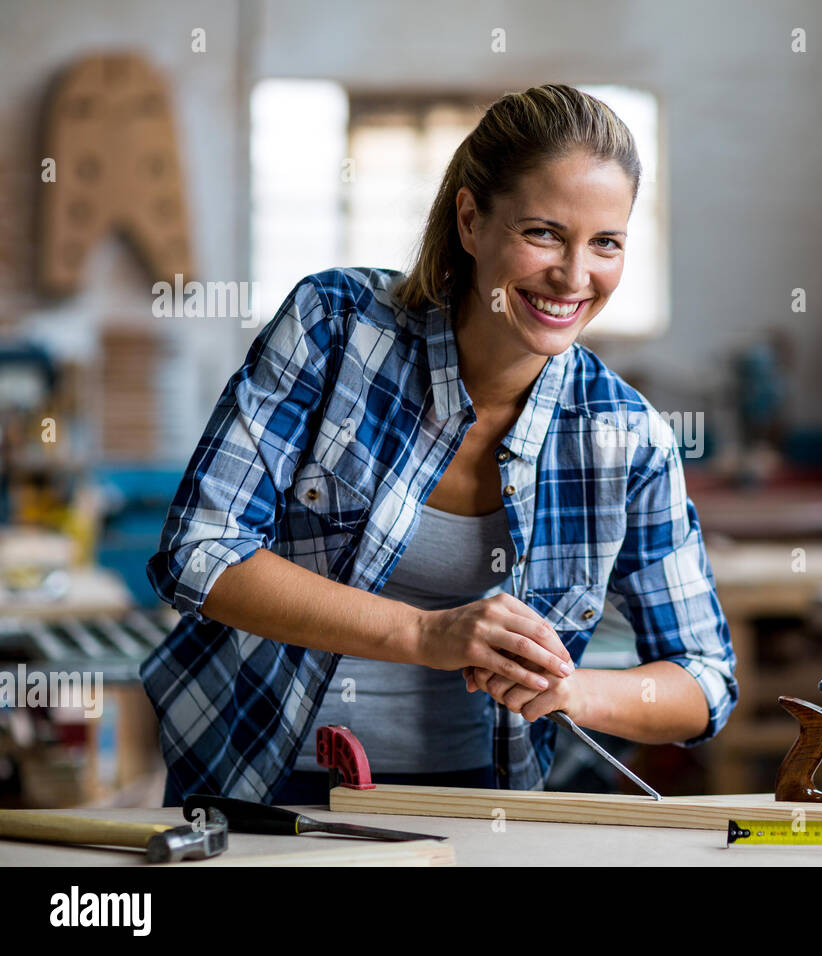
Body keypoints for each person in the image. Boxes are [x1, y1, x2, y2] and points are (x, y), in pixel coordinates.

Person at [143, 84, 738, 805]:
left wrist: (573, 690)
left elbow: (704, 680)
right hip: (255, 780)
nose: (575, 276)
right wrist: (426, 635)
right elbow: (199, 552)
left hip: (474, 803)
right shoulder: (337, 329)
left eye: (605, 242)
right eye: (544, 233)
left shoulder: (627, 438)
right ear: (469, 219)